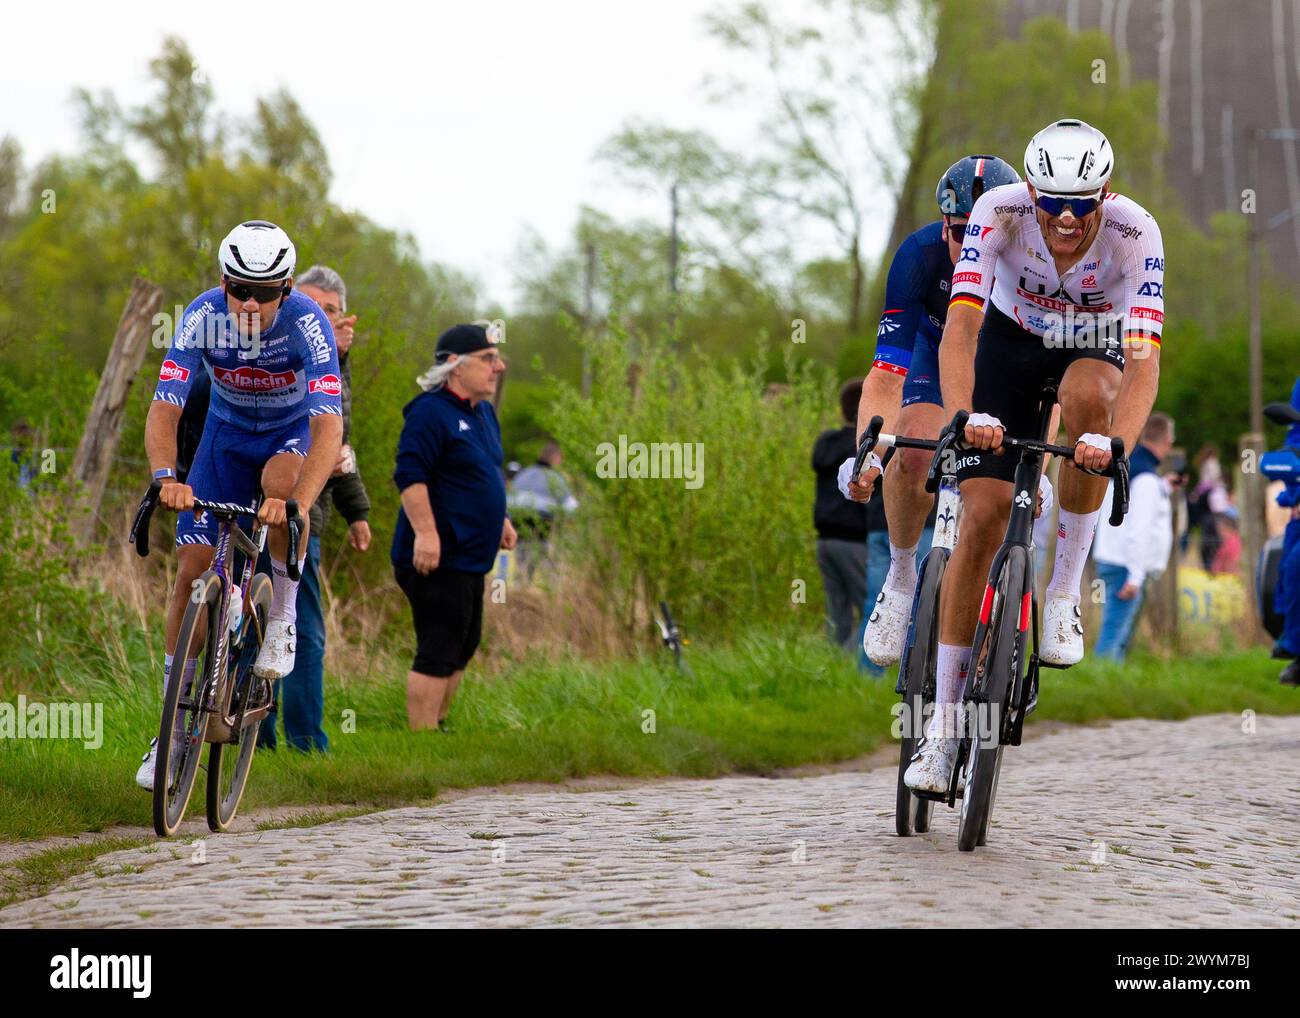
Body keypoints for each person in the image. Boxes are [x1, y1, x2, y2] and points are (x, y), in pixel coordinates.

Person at [906, 119, 1166, 792]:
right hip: (1009, 342)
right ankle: (943, 731)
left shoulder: (1136, 233)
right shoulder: (998, 213)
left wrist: (1118, 446)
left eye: (1084, 203)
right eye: (1053, 201)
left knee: (1089, 401)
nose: (1068, 217)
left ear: (1105, 194)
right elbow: (961, 327)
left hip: (1093, 345)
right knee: (982, 517)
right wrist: (966, 414)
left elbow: (1142, 359)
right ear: (1030, 190)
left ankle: (1060, 595)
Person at [137, 220, 343, 790]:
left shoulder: (309, 323)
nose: (250, 303)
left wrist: (300, 503)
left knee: (281, 489)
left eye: (266, 292)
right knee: (190, 573)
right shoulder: (202, 315)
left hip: (287, 435)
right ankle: (172, 730)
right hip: (224, 438)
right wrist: (165, 476)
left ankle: (281, 617)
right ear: (223, 282)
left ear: (289, 287)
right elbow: (165, 408)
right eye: (238, 289)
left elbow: (329, 428)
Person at [840, 154, 1023, 666]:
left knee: (1001, 483)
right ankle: (901, 578)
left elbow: (1047, 376)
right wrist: (867, 454)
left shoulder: (1029, 259)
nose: (971, 248)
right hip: (933, 346)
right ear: (943, 223)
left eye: (984, 234)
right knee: (915, 449)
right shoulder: (919, 256)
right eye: (960, 232)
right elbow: (884, 376)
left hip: (1001, 360)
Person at [256, 265, 372, 753]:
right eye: (311, 306)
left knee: (300, 629)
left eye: (330, 310)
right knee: (254, 620)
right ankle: (255, 738)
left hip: (306, 518)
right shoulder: (272, 345)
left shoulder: (334, 365)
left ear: (345, 319)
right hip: (257, 505)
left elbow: (335, 443)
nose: (319, 318)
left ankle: (304, 744)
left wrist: (358, 511)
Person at [392, 324, 517, 731]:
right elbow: (410, 477)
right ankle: (421, 738)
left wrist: (501, 518)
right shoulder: (430, 412)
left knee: (465, 642)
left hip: (469, 556)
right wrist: (427, 535)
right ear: (454, 365)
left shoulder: (482, 413)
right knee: (440, 644)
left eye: (496, 358)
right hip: (435, 556)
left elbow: (486, 469)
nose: (498, 367)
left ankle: (440, 726)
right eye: (488, 359)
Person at [1091, 412, 1175, 662]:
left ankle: (1109, 683)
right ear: (1167, 440)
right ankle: (1102, 685)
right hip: (1125, 564)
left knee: (1119, 633)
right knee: (1114, 637)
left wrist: (1164, 488)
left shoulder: (1128, 468)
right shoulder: (1147, 479)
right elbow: (1139, 530)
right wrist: (1136, 575)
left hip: (1111, 557)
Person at [814, 379, 870, 651]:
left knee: (836, 609)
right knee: (868, 605)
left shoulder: (825, 443)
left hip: (824, 540)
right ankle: (858, 665)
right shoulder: (862, 449)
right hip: (855, 539)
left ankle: (835, 662)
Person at [507, 440, 578, 574]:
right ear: (556, 458)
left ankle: (521, 584)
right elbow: (571, 508)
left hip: (519, 525)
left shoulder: (523, 475)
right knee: (544, 563)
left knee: (522, 562)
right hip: (543, 527)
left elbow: (509, 502)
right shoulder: (556, 479)